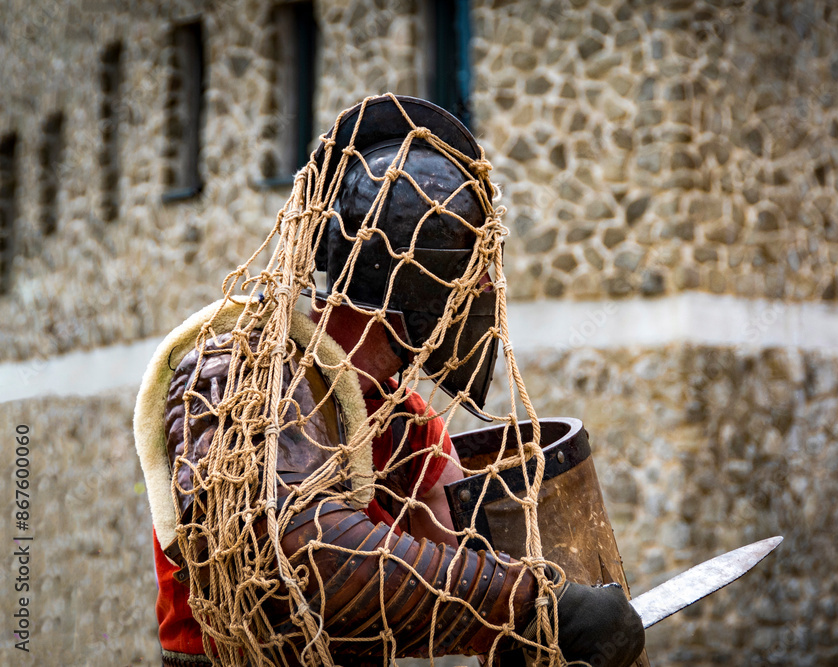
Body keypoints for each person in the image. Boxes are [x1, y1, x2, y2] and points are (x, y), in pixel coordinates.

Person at [134, 95, 645, 667]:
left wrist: (560, 621)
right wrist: (524, 602)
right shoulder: (234, 376)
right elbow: (307, 555)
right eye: (471, 274)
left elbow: (464, 558)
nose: (481, 294)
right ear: (424, 280)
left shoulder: (405, 419)